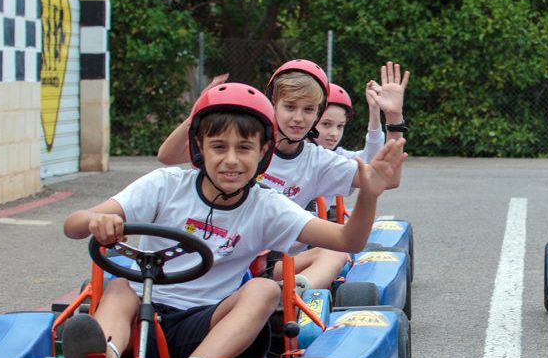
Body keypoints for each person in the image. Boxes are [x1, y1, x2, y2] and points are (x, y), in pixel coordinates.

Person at [62, 82, 406, 358]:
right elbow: (72, 225)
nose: (231, 160)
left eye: (243, 148)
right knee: (119, 288)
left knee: (263, 290)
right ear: (199, 148)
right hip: (139, 321)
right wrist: (96, 221)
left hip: (209, 330)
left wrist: (370, 195)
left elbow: (349, 241)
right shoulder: (164, 186)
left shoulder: (266, 206)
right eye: (219, 147)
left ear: (262, 153)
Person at [156, 59, 408, 290]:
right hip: (217, 249)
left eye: (309, 110)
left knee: (335, 253)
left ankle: (292, 293)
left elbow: (386, 179)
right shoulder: (243, 144)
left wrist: (393, 117)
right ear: (272, 105)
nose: (298, 118)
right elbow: (168, 157)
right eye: (289, 107)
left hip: (273, 264)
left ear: (318, 114)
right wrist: (199, 114)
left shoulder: (316, 160)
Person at [315, 82, 386, 163]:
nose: (335, 133)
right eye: (326, 124)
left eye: (340, 126)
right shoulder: (299, 155)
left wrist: (374, 109)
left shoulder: (341, 157)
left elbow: (372, 158)